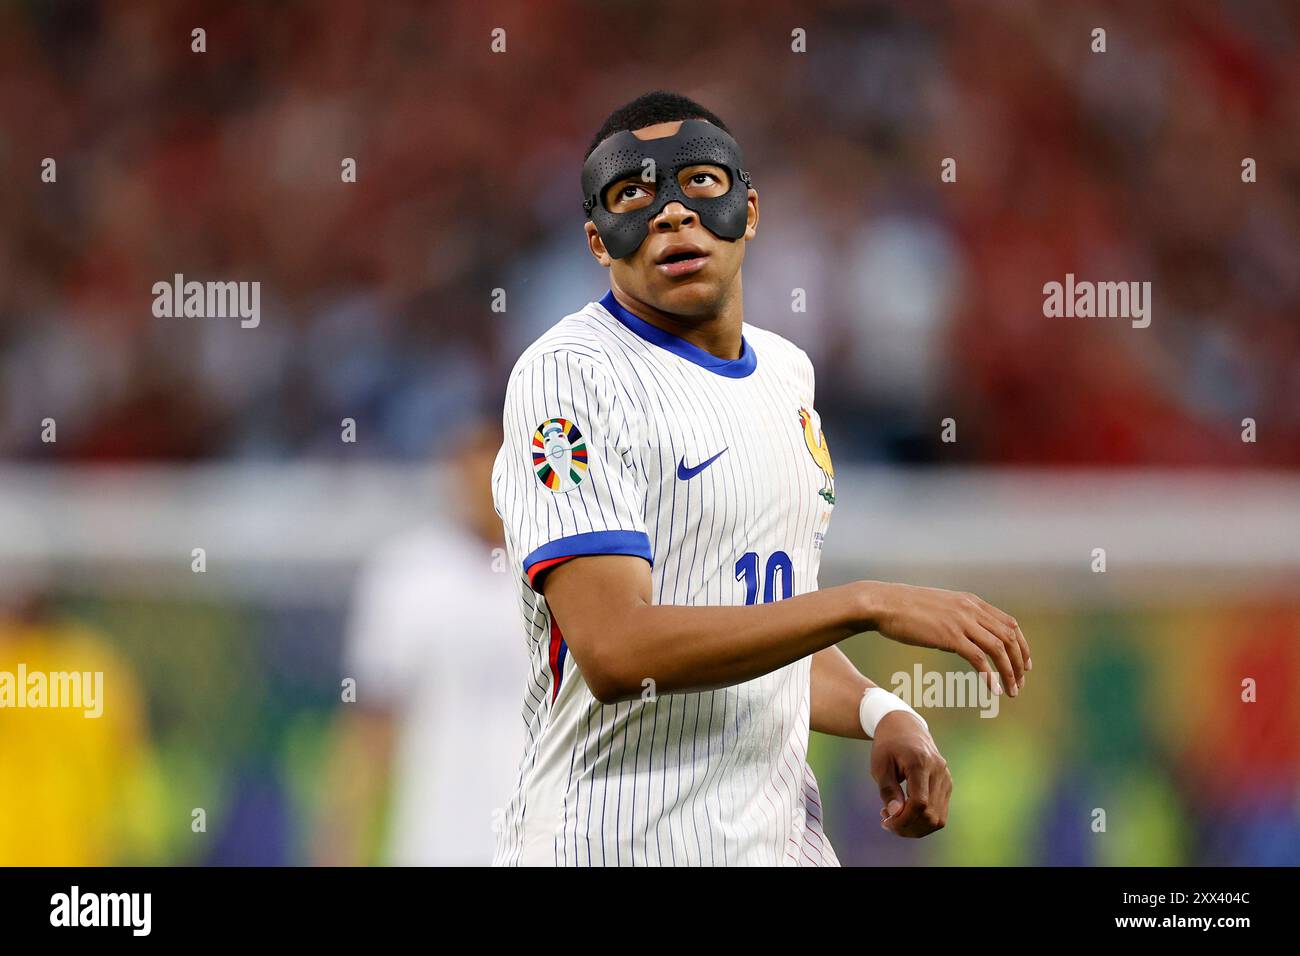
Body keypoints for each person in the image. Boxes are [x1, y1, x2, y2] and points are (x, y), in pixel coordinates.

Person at [490, 91, 1030, 866]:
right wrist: (866, 603)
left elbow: (761, 618)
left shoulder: (787, 376)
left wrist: (882, 712)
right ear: (597, 242)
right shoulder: (570, 377)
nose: (671, 214)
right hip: (613, 842)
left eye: (698, 183)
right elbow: (614, 649)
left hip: (777, 842)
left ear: (749, 210)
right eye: (631, 197)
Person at [316, 420, 526, 865]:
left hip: (542, 842)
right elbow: (371, 724)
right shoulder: (407, 574)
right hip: (434, 844)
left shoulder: (563, 575)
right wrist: (339, 841)